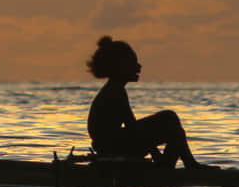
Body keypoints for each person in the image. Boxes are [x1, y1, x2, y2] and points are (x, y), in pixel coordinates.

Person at [85, 35, 205, 170]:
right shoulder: (114, 93)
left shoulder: (114, 90)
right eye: (132, 63)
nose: (138, 66)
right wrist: (155, 154)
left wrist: (154, 152)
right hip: (114, 149)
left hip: (114, 145)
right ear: (119, 66)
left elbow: (133, 130)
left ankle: (176, 166)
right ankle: (179, 167)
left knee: (175, 128)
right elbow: (133, 129)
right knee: (169, 118)